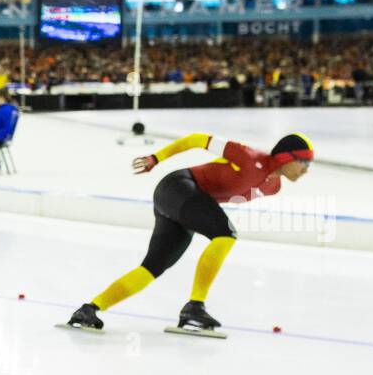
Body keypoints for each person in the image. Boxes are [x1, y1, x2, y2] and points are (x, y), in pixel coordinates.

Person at [65, 132, 315, 332]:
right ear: (285, 157)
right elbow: (197, 139)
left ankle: (90, 309)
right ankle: (195, 306)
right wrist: (156, 158)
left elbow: (228, 193)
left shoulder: (273, 187)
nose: (306, 170)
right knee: (226, 235)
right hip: (178, 187)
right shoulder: (248, 156)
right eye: (303, 162)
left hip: (186, 203)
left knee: (152, 268)